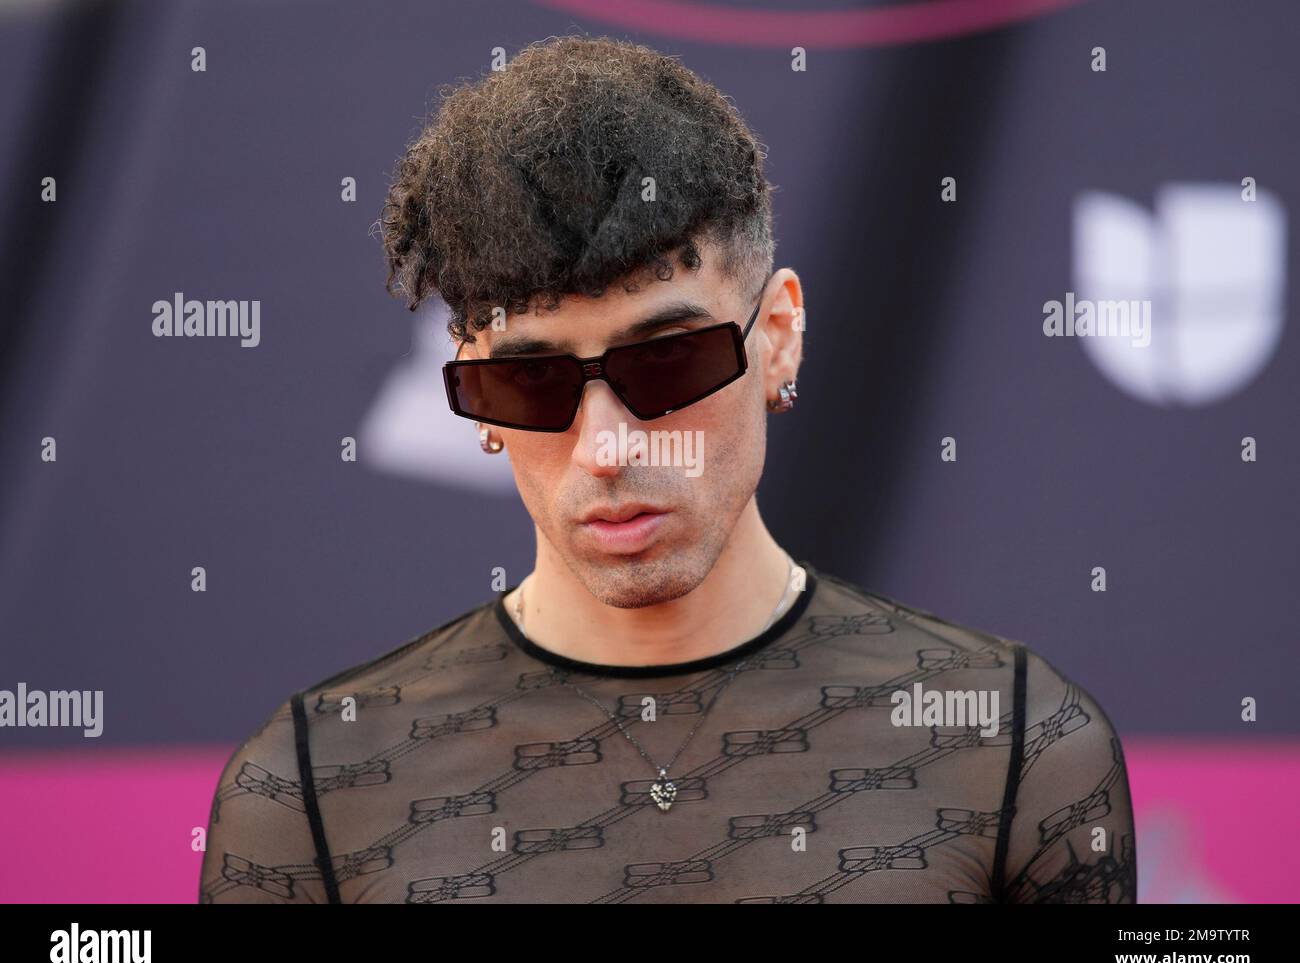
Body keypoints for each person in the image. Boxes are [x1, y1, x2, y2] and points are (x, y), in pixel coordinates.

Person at [199, 34, 1135, 904]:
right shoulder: (311, 791)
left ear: (778, 337)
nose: (608, 447)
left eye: (667, 363)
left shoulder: (1015, 747)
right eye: (532, 381)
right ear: (477, 397)